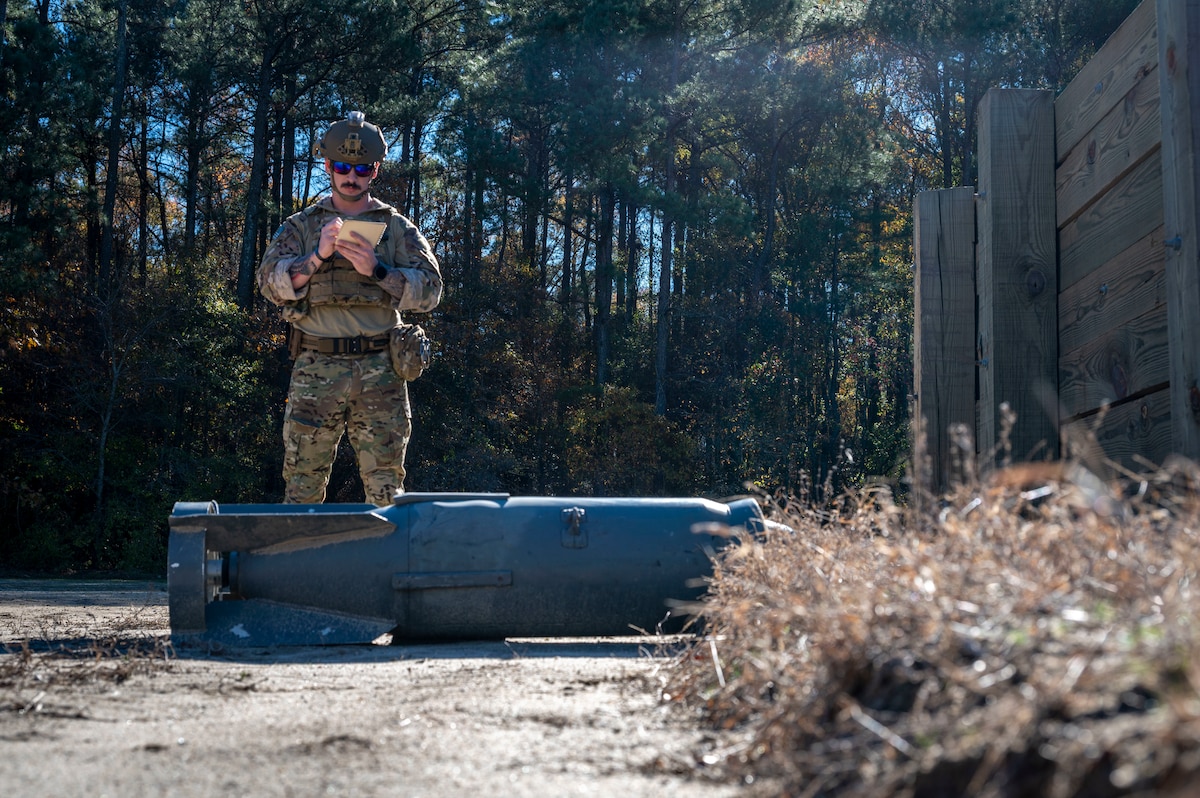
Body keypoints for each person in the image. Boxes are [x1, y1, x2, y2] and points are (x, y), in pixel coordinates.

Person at [257, 111, 442, 505]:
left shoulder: (396, 228)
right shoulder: (302, 226)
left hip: (381, 369)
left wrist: (377, 270)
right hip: (316, 366)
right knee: (302, 484)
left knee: (387, 491)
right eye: (342, 166)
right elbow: (268, 282)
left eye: (360, 168)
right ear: (327, 166)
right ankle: (301, 563)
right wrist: (317, 257)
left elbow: (431, 291)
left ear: (374, 170)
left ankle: (386, 566)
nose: (350, 175)